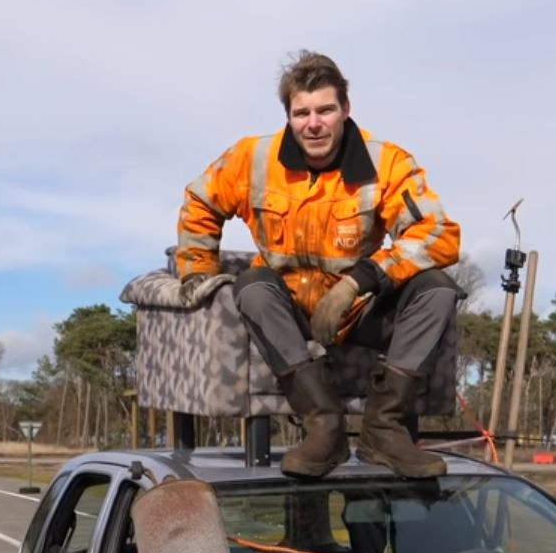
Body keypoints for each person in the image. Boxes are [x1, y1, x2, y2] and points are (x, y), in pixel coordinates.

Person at [175, 50, 461, 480]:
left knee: (438, 287)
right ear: (288, 116)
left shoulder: (388, 163)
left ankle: (384, 428)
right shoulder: (253, 158)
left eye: (325, 110)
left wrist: (359, 281)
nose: (314, 123)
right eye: (301, 112)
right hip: (287, 312)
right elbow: (201, 200)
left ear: (345, 110)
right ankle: (323, 426)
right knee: (252, 285)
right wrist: (198, 271)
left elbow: (438, 233)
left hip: (356, 309)